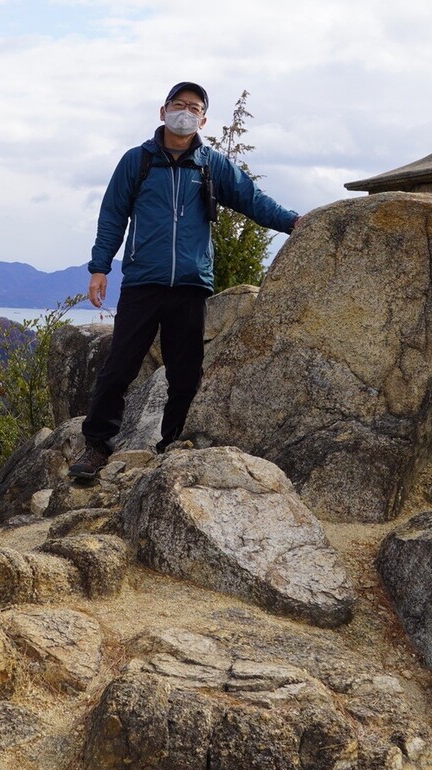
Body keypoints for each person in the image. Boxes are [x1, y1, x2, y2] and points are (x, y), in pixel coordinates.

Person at [68, 82, 303, 482]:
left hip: (192, 284)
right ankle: (96, 447)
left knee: (186, 372)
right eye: (179, 104)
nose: (185, 112)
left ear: (204, 119)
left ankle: (172, 442)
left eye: (194, 107)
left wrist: (296, 223)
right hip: (143, 281)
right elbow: (112, 216)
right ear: (163, 112)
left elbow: (253, 200)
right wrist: (99, 267)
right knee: (119, 366)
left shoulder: (212, 165)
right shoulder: (137, 162)